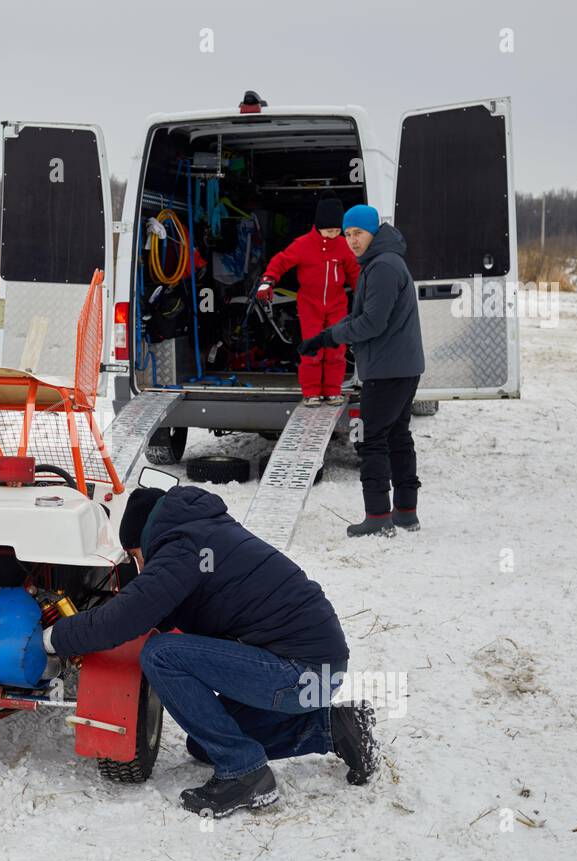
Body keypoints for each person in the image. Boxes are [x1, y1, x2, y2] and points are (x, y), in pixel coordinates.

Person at [41, 485, 379, 817]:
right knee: (203, 745)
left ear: (142, 538)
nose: (138, 566)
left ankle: (245, 774)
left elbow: (122, 620)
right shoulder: (203, 532)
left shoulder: (183, 548)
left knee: (162, 655)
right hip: (317, 671)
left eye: (134, 556)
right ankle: (335, 726)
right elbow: (174, 602)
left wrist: (54, 638)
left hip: (299, 670)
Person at [299, 204, 425, 537]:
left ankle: (377, 516)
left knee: (371, 439)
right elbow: (365, 317)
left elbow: (372, 323)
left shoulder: (382, 266)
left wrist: (330, 335)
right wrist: (326, 337)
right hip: (400, 366)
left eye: (359, 234)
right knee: (397, 436)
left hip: (388, 370)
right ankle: (405, 512)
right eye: (349, 234)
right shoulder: (382, 261)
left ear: (373, 232)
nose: (353, 241)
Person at [256, 195, 358, 406]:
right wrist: (268, 280)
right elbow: (281, 261)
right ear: (319, 226)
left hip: (336, 303)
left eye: (337, 231)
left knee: (336, 349)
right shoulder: (303, 245)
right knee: (313, 348)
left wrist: (365, 293)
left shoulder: (343, 246)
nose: (334, 235)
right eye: (329, 230)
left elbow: (355, 272)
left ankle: (332, 390)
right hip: (310, 303)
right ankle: (311, 391)